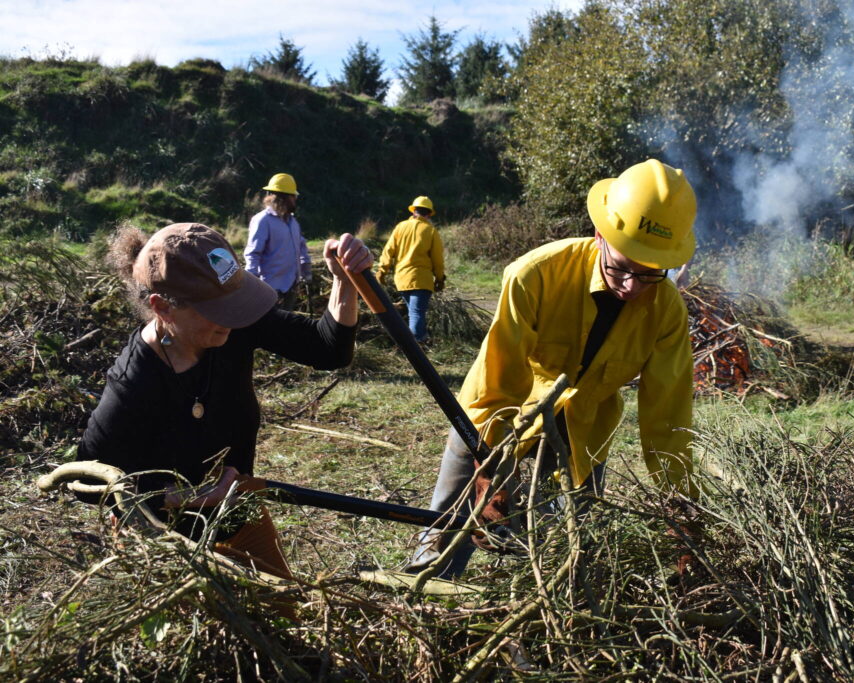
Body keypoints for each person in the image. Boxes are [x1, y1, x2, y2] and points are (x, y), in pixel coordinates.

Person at [407, 159, 698, 579]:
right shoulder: (535, 275)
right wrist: (486, 467)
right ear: (600, 236)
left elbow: (667, 421)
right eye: (622, 267)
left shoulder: (667, 311)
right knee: (447, 526)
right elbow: (496, 381)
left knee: (571, 548)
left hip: (588, 424)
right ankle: (428, 586)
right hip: (505, 412)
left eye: (651, 273)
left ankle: (551, 602)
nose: (632, 286)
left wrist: (681, 510)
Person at [76, 222, 372, 585]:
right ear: (162, 307)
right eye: (217, 309)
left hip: (236, 516)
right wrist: (182, 497)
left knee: (281, 614)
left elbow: (328, 349)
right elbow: (85, 482)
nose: (233, 318)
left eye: (235, 300)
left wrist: (344, 280)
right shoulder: (135, 382)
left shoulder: (235, 321)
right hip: (164, 545)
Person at [377, 196, 445, 343]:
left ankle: (420, 340)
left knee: (413, 312)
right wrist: (439, 278)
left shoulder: (400, 227)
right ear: (428, 214)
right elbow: (437, 259)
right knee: (416, 313)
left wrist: (382, 270)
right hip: (421, 280)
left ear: (414, 211)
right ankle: (416, 344)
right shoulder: (431, 231)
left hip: (402, 280)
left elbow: (388, 251)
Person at [244, 173, 312, 310]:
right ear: (283, 198)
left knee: (285, 328)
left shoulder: (292, 222)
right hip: (270, 288)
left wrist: (306, 271)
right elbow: (253, 253)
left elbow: (301, 248)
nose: (295, 199)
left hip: (291, 286)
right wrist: (251, 284)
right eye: (293, 196)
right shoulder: (263, 221)